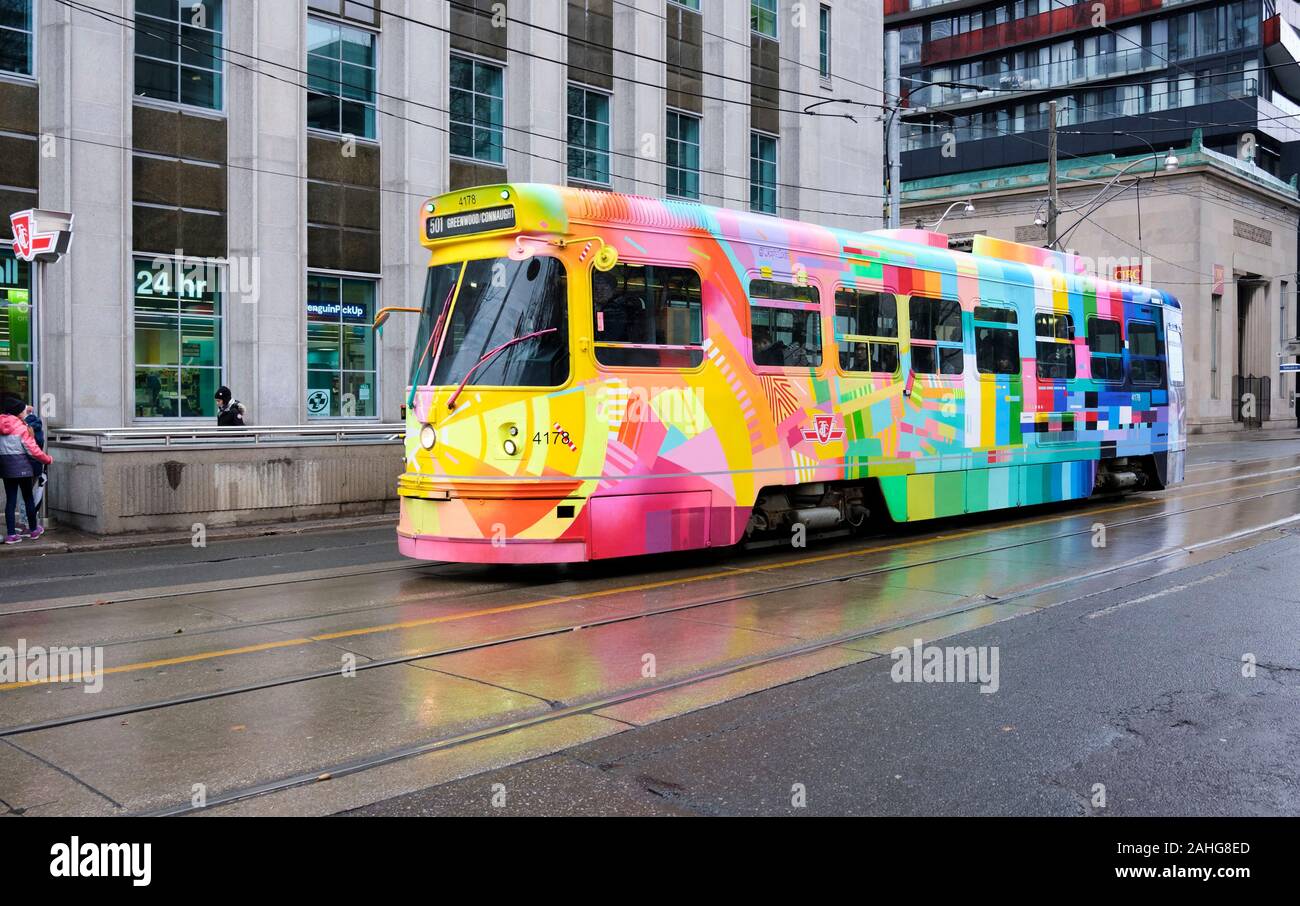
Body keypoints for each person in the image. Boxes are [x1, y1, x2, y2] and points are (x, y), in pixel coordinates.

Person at [1, 395, 52, 544]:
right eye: (23, 411)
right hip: (23, 468)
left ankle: (11, 535)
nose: (25, 413)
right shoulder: (21, 427)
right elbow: (33, 450)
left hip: (6, 469)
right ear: (18, 413)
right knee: (28, 498)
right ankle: (34, 530)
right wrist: (47, 459)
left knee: (10, 501)